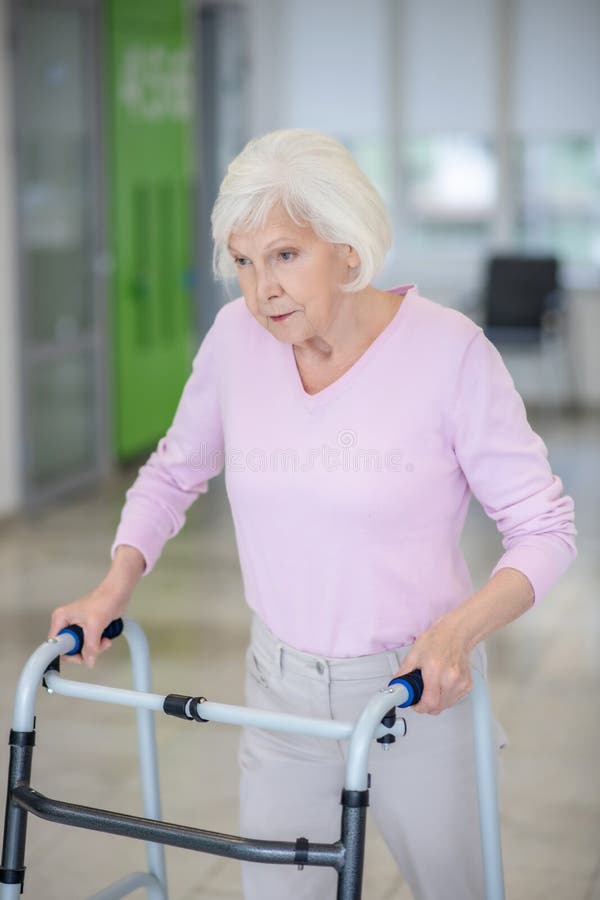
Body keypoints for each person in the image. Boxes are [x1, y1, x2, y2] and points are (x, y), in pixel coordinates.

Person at [49, 129, 576, 900]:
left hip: (415, 692)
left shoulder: (450, 353)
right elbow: (173, 473)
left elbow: (545, 528)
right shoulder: (235, 340)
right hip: (281, 694)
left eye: (285, 255)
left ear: (348, 247)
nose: (262, 288)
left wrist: (457, 634)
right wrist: (111, 588)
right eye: (243, 261)